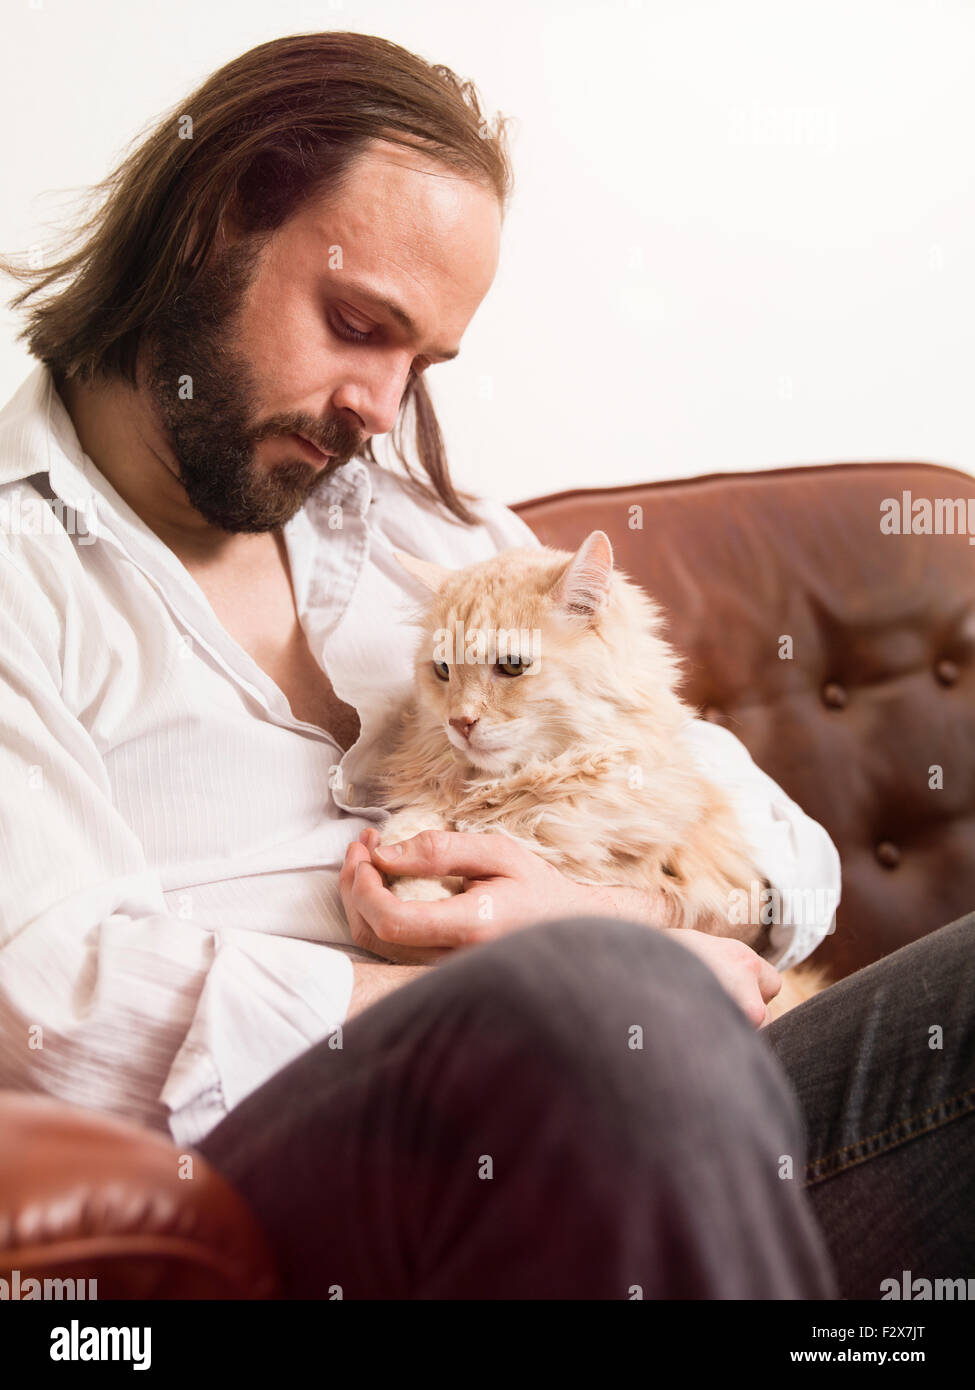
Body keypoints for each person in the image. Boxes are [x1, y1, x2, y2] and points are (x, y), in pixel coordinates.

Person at [0, 32, 969, 1299]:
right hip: (297, 1168)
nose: (381, 411)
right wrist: (537, 978)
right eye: (357, 326)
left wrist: (613, 921)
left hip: (653, 1112)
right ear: (214, 222)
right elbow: (49, 993)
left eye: (421, 366)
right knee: (590, 1014)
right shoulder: (24, 568)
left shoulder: (431, 536)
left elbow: (783, 847)